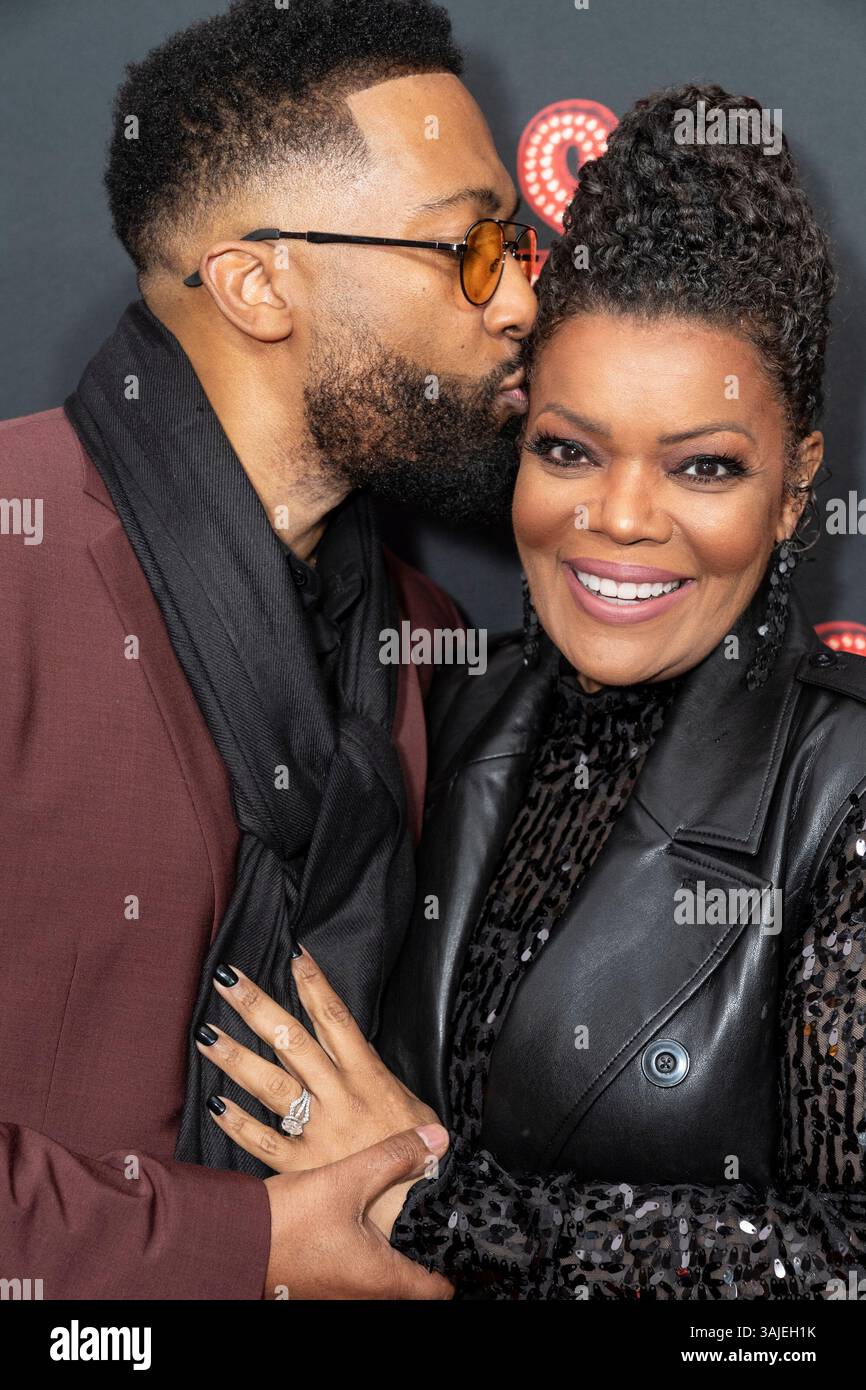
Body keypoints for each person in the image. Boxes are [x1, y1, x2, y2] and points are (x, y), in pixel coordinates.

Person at [201, 83, 866, 1299]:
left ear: (791, 489)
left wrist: (442, 1208)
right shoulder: (436, 707)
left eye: (703, 467)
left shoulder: (843, 795)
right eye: (568, 448)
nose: (614, 518)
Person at [0, 0, 538, 1300]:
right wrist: (234, 1251)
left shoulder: (424, 640)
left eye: (513, 243)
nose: (522, 296)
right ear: (255, 282)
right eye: (463, 247)